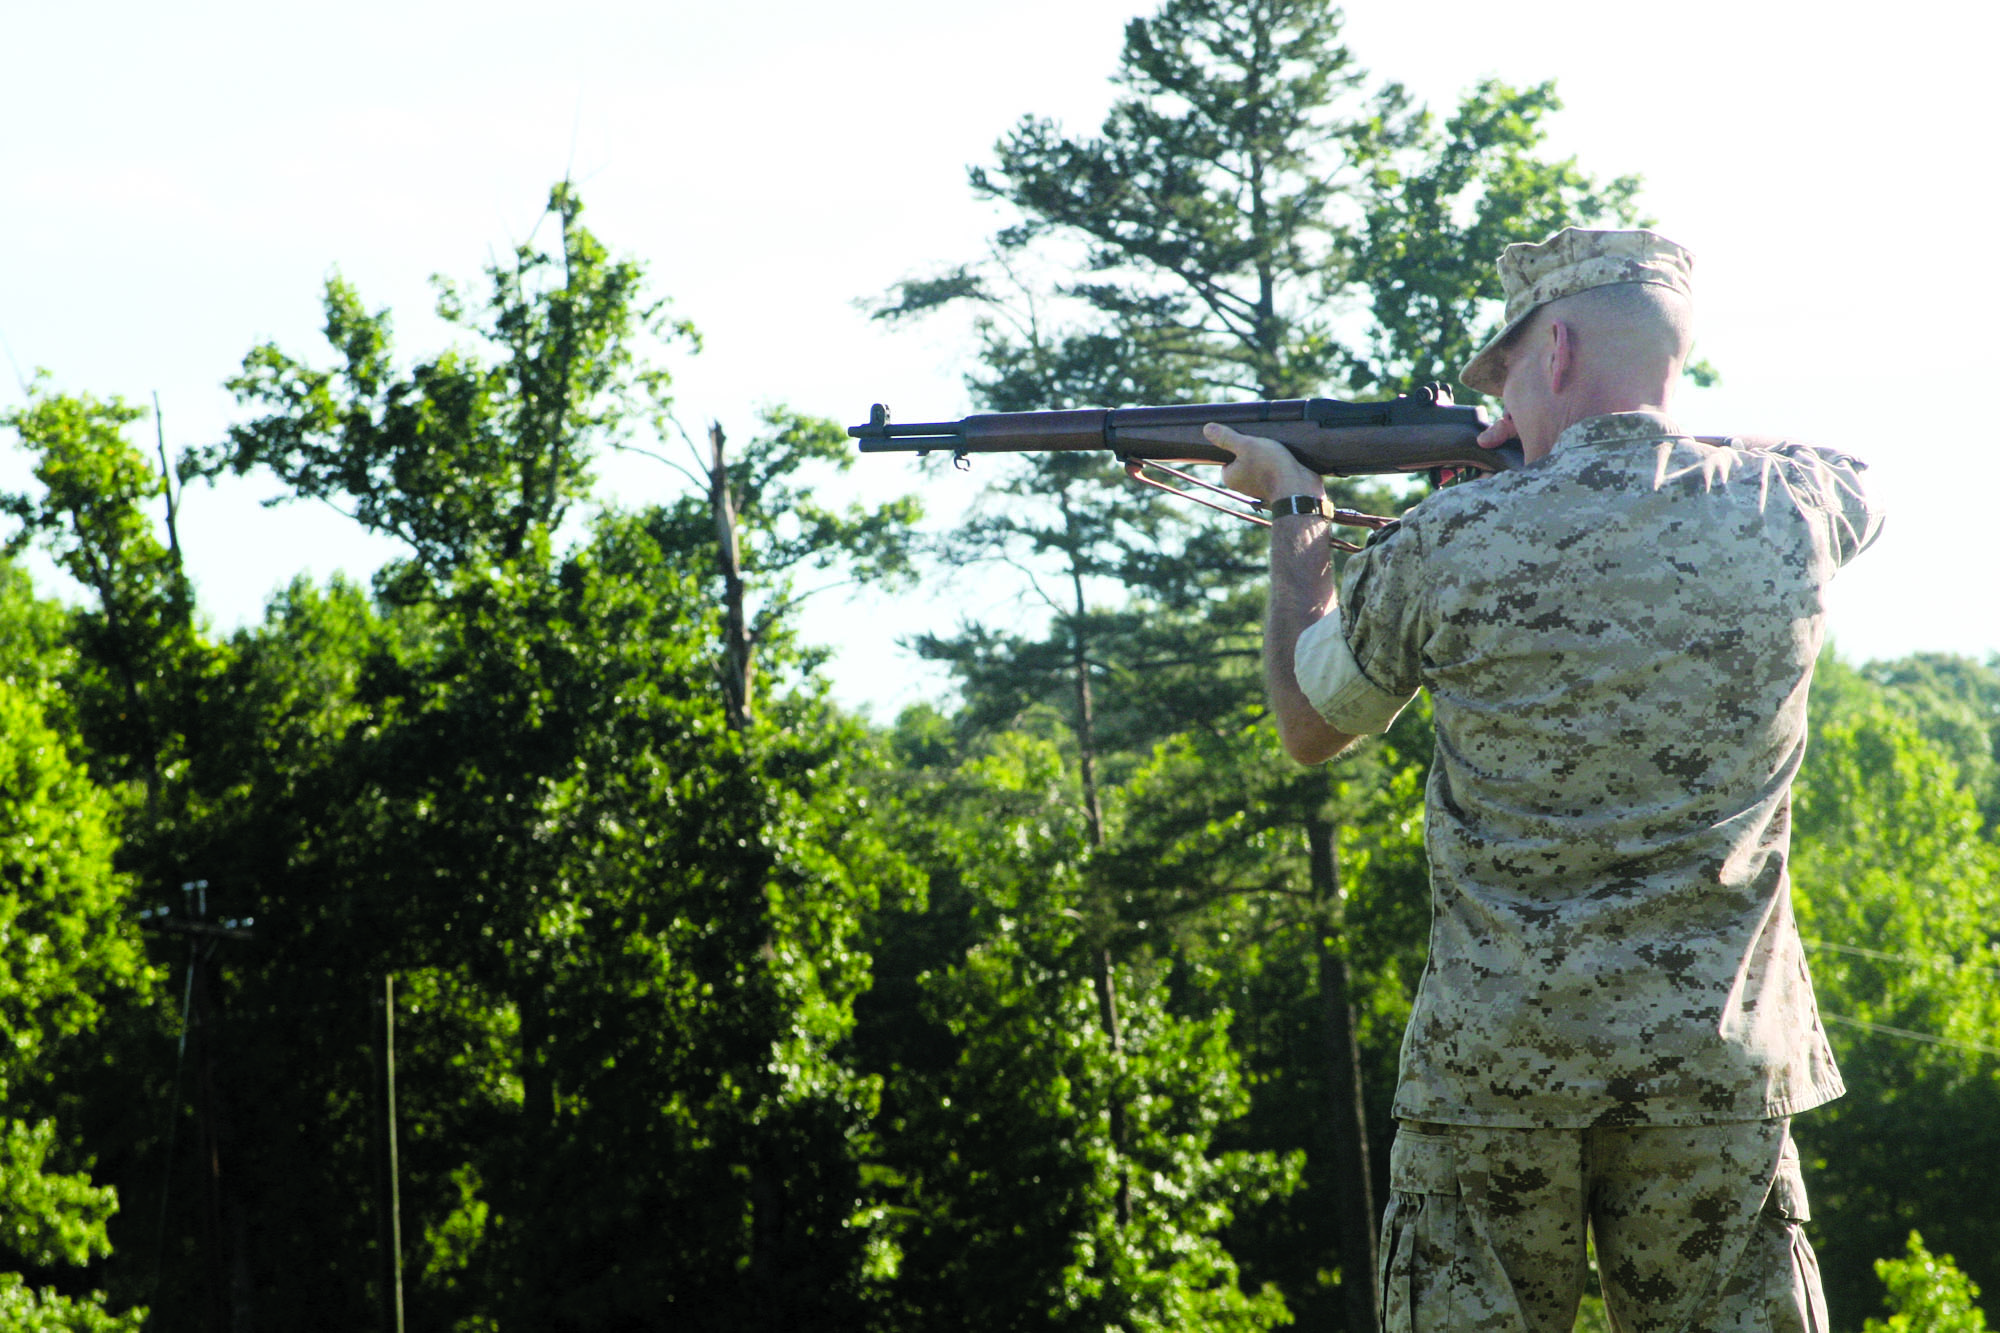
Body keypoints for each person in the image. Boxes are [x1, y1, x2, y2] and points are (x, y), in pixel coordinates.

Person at [1205, 227, 1880, 1333]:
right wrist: (1645, 437)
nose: (1501, 400)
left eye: (1505, 371)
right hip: (1711, 1070)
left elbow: (1305, 719)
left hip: (1494, 1073)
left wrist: (1293, 512)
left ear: (1553, 347)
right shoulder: (1787, 514)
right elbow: (1851, 477)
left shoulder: (1450, 535)